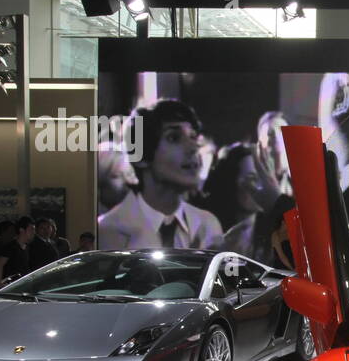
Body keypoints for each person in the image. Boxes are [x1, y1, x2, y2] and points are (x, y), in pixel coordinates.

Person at [97, 99, 224, 251]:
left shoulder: (209, 225)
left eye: (193, 137)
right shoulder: (105, 231)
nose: (193, 147)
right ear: (141, 157)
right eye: (174, 138)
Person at [201, 141, 282, 261]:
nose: (262, 188)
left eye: (263, 178)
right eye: (252, 178)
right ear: (230, 182)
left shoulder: (273, 235)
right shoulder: (208, 231)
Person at [0, 216, 36, 288]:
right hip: (11, 286)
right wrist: (0, 284)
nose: (34, 232)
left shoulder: (28, 247)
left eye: (34, 230)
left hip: (23, 285)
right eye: (31, 229)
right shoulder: (10, 247)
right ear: (21, 230)